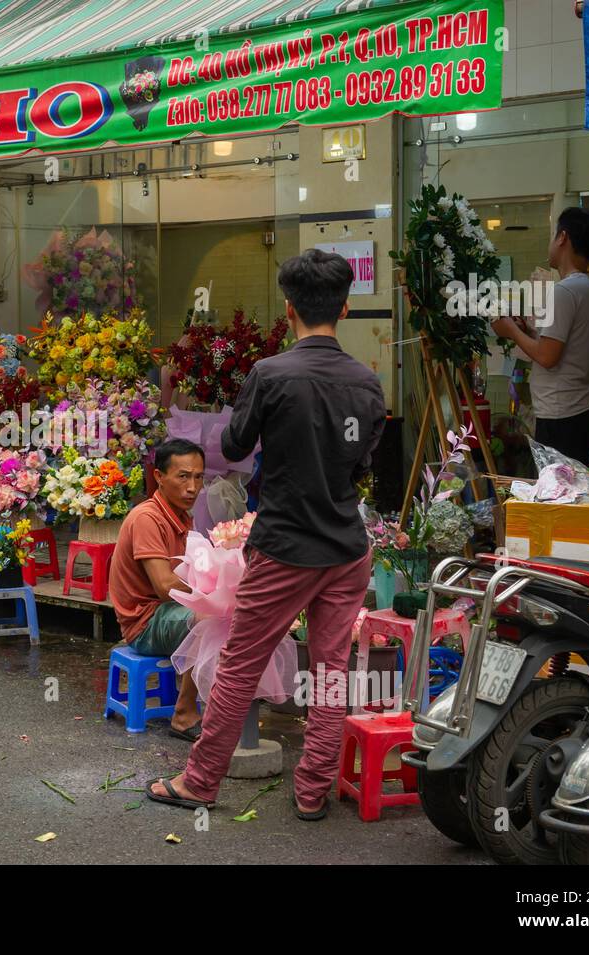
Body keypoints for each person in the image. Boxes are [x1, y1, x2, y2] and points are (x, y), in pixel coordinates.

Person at [147, 249, 386, 819]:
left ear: (288, 310)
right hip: (346, 549)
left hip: (284, 546)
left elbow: (230, 447)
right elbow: (361, 469)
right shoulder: (367, 383)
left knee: (240, 663)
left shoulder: (271, 374)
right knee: (330, 671)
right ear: (345, 310)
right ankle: (312, 791)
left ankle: (201, 782)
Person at [493, 207, 589, 467]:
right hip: (579, 411)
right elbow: (558, 346)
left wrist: (509, 330)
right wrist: (528, 332)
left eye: (553, 234)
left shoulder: (564, 292)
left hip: (562, 417)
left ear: (562, 238)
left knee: (559, 498)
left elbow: (547, 356)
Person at [107, 438, 205, 741]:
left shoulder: (180, 514)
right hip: (145, 622)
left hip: (166, 612)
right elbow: (165, 587)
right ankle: (184, 713)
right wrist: (214, 592)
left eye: (199, 477)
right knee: (208, 620)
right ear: (159, 477)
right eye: (183, 476)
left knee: (231, 616)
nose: (192, 487)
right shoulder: (148, 518)